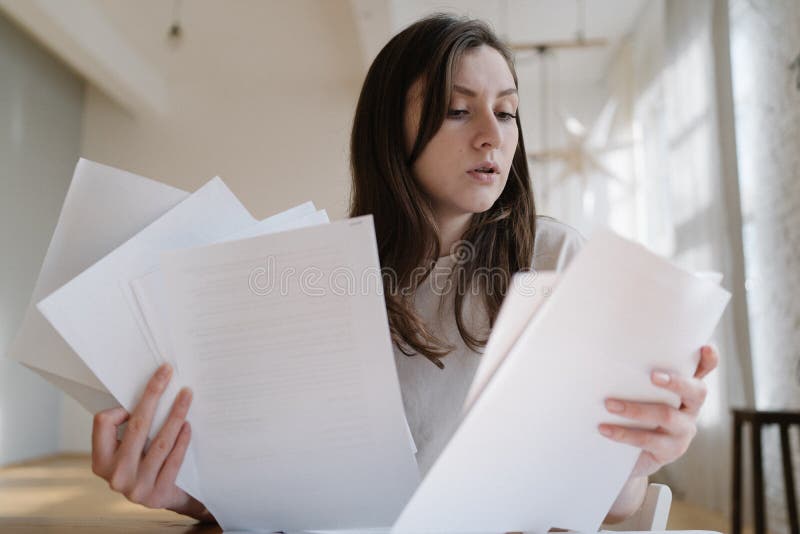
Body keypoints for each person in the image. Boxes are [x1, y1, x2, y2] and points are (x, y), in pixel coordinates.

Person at [89, 13, 720, 525]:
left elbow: (611, 507)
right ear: (391, 128)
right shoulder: (318, 271)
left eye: (506, 111)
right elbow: (276, 497)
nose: (492, 136)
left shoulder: (557, 260)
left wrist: (636, 459)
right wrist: (180, 492)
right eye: (456, 108)